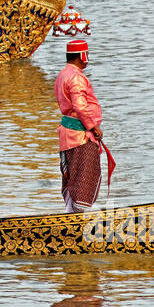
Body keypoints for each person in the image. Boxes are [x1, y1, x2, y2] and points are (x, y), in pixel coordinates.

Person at [55, 38, 105, 214]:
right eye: (87, 54)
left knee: (72, 177)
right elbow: (80, 106)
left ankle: (71, 213)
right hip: (80, 136)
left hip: (68, 135)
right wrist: (93, 127)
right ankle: (78, 218)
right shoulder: (76, 78)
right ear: (82, 56)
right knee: (83, 177)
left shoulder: (63, 74)